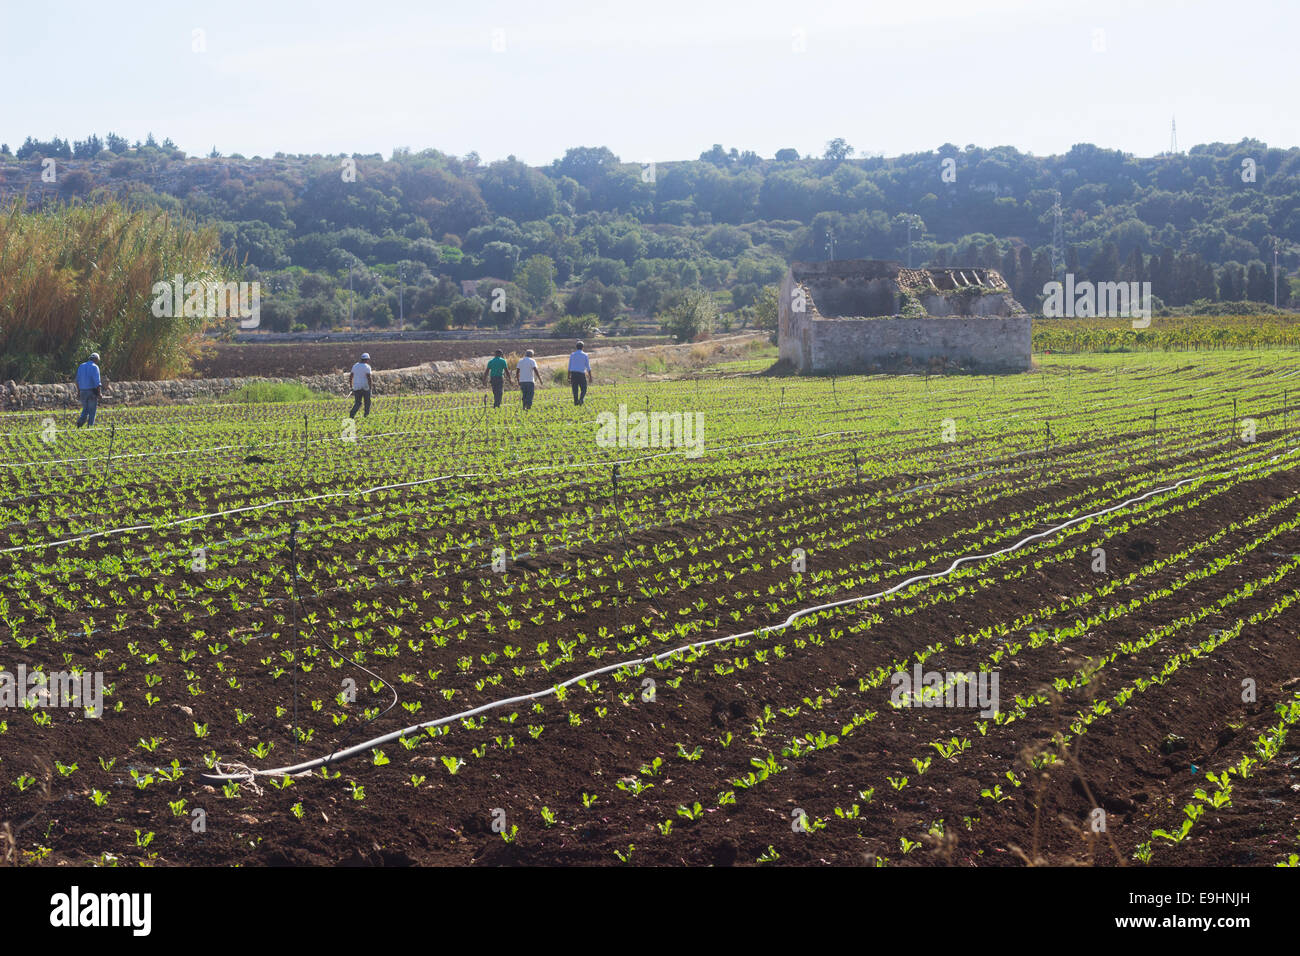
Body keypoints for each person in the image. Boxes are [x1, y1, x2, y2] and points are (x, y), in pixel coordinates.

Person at [74, 352, 102, 427]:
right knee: (92, 411)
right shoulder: (95, 367)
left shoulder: (81, 366)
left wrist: (79, 392)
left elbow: (77, 381)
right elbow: (97, 382)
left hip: (83, 391)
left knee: (85, 409)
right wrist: (99, 394)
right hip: (92, 392)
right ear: (96, 360)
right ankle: (90, 427)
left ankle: (80, 422)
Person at [348, 352, 373, 418]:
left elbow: (351, 376)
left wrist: (351, 386)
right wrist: (370, 388)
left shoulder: (355, 366)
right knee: (367, 402)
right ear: (367, 359)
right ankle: (366, 415)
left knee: (358, 403)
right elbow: (369, 378)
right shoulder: (367, 367)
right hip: (365, 387)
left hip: (356, 387)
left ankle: (352, 414)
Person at [568, 340, 592, 406]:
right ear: (582, 347)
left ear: (576, 347)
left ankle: (576, 402)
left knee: (575, 389)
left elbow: (569, 367)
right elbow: (588, 367)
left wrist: (568, 377)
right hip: (581, 374)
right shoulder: (585, 355)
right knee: (584, 388)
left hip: (573, 374)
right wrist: (590, 377)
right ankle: (581, 399)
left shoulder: (572, 355)